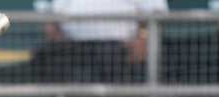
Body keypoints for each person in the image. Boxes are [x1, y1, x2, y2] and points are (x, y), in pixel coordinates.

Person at [29, 0, 167, 83]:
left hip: (119, 48)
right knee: (47, 55)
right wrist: (54, 31)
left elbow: (157, 12)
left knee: (110, 56)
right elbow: (53, 17)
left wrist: (143, 37)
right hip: (74, 47)